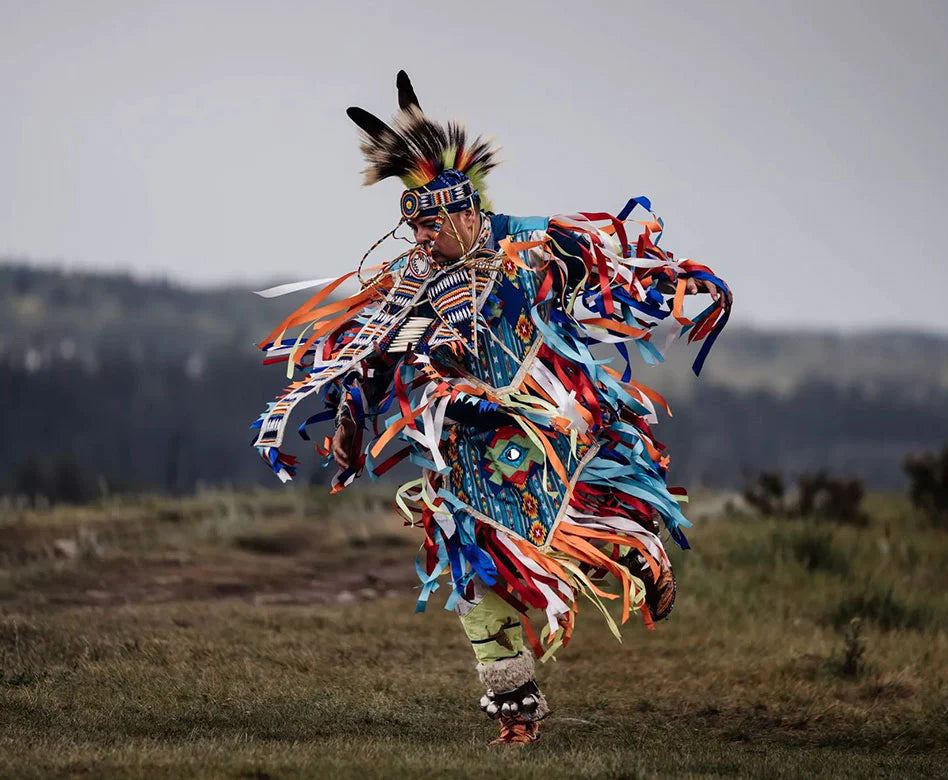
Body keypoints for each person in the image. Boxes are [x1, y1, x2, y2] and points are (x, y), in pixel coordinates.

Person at [250, 71, 732, 746]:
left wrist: (658, 266)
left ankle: (639, 556)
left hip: (552, 420)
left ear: (463, 212)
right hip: (469, 445)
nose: (421, 240)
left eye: (430, 226)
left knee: (579, 525)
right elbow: (372, 359)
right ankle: (516, 711)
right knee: (476, 571)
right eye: (412, 227)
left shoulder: (528, 244)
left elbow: (608, 253)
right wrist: (351, 431)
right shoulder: (411, 283)